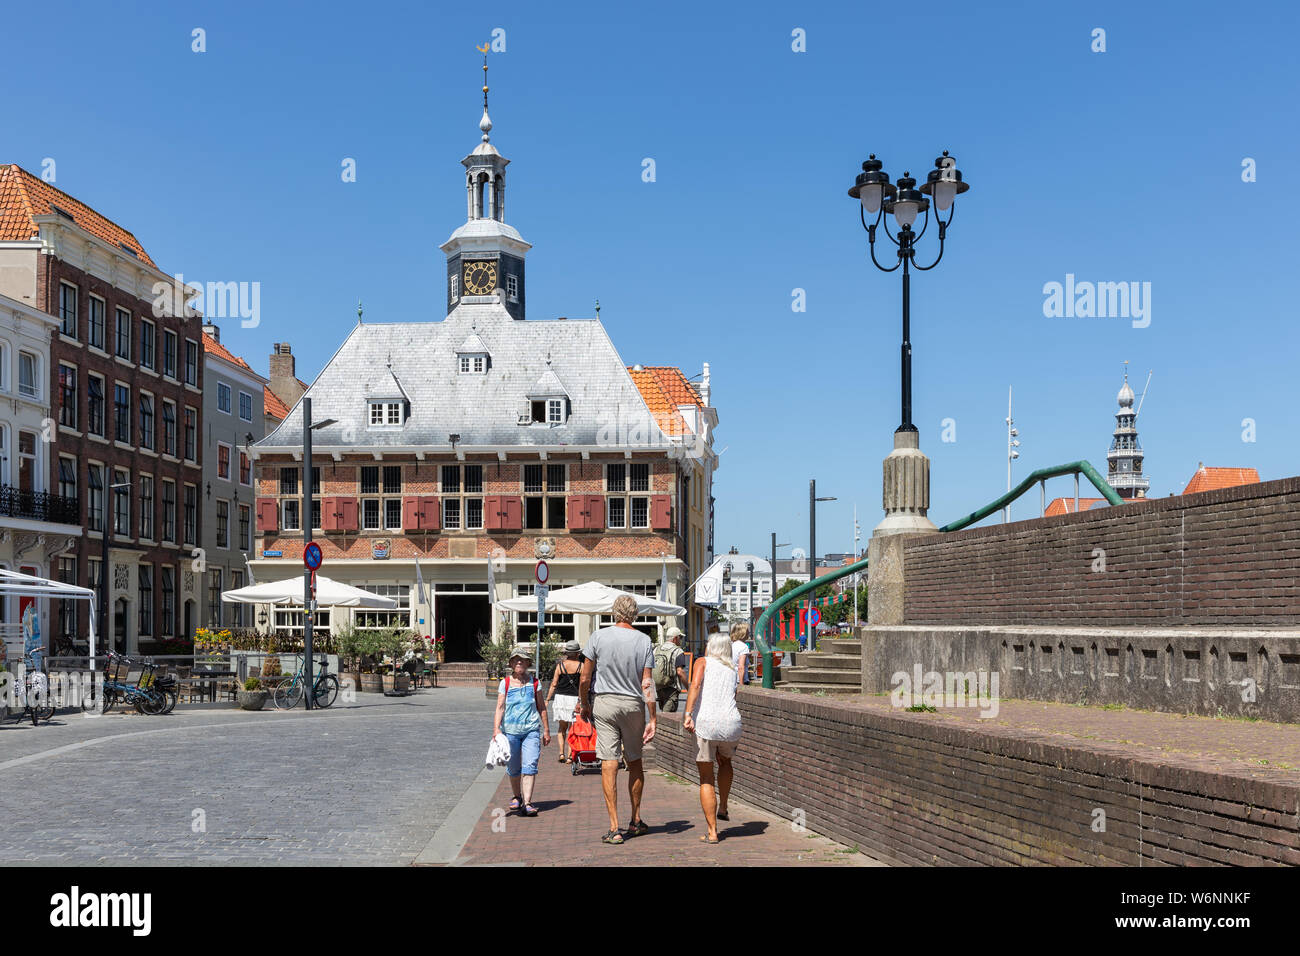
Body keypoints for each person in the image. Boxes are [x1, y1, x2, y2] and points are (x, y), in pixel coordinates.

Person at [579, 594, 656, 845]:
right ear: (635, 614)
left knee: (608, 761)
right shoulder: (644, 640)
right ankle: (635, 820)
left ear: (614, 612)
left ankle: (614, 828)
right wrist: (652, 716)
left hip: (605, 702)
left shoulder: (598, 636)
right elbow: (647, 683)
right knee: (635, 761)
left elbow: (584, 678)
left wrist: (584, 703)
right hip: (633, 703)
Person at [683, 632, 743, 844]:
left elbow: (695, 685)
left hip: (707, 724)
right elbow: (732, 696)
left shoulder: (702, 661)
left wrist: (688, 714)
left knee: (706, 777)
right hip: (731, 724)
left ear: (711, 647)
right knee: (725, 762)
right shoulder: (733, 669)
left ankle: (712, 832)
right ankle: (724, 806)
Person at [492, 651, 551, 816]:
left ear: (527, 664)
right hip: (510, 732)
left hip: (531, 730)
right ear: (511, 664)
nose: (519, 663)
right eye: (516, 661)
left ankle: (528, 802)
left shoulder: (534, 683)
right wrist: (496, 729)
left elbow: (541, 707)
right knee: (513, 768)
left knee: (530, 765)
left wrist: (546, 730)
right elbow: (500, 707)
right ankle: (517, 796)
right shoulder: (506, 683)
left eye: (522, 661)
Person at [546, 640, 584, 763]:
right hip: (574, 699)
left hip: (560, 698)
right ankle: (569, 756)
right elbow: (582, 686)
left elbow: (554, 684)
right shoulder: (581, 666)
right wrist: (581, 700)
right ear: (577, 653)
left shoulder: (560, 665)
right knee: (572, 729)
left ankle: (561, 753)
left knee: (561, 728)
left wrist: (547, 699)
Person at [653, 626, 689, 712]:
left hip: (658, 687)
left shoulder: (656, 650)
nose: (680, 640)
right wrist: (689, 688)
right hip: (671, 689)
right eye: (680, 638)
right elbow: (680, 672)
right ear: (675, 638)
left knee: (663, 714)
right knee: (668, 718)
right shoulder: (678, 651)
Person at [730, 622, 751, 686]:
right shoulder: (743, 646)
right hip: (740, 680)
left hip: (731, 678)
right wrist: (742, 685)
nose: (749, 633)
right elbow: (741, 667)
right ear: (744, 633)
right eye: (747, 631)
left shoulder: (732, 645)